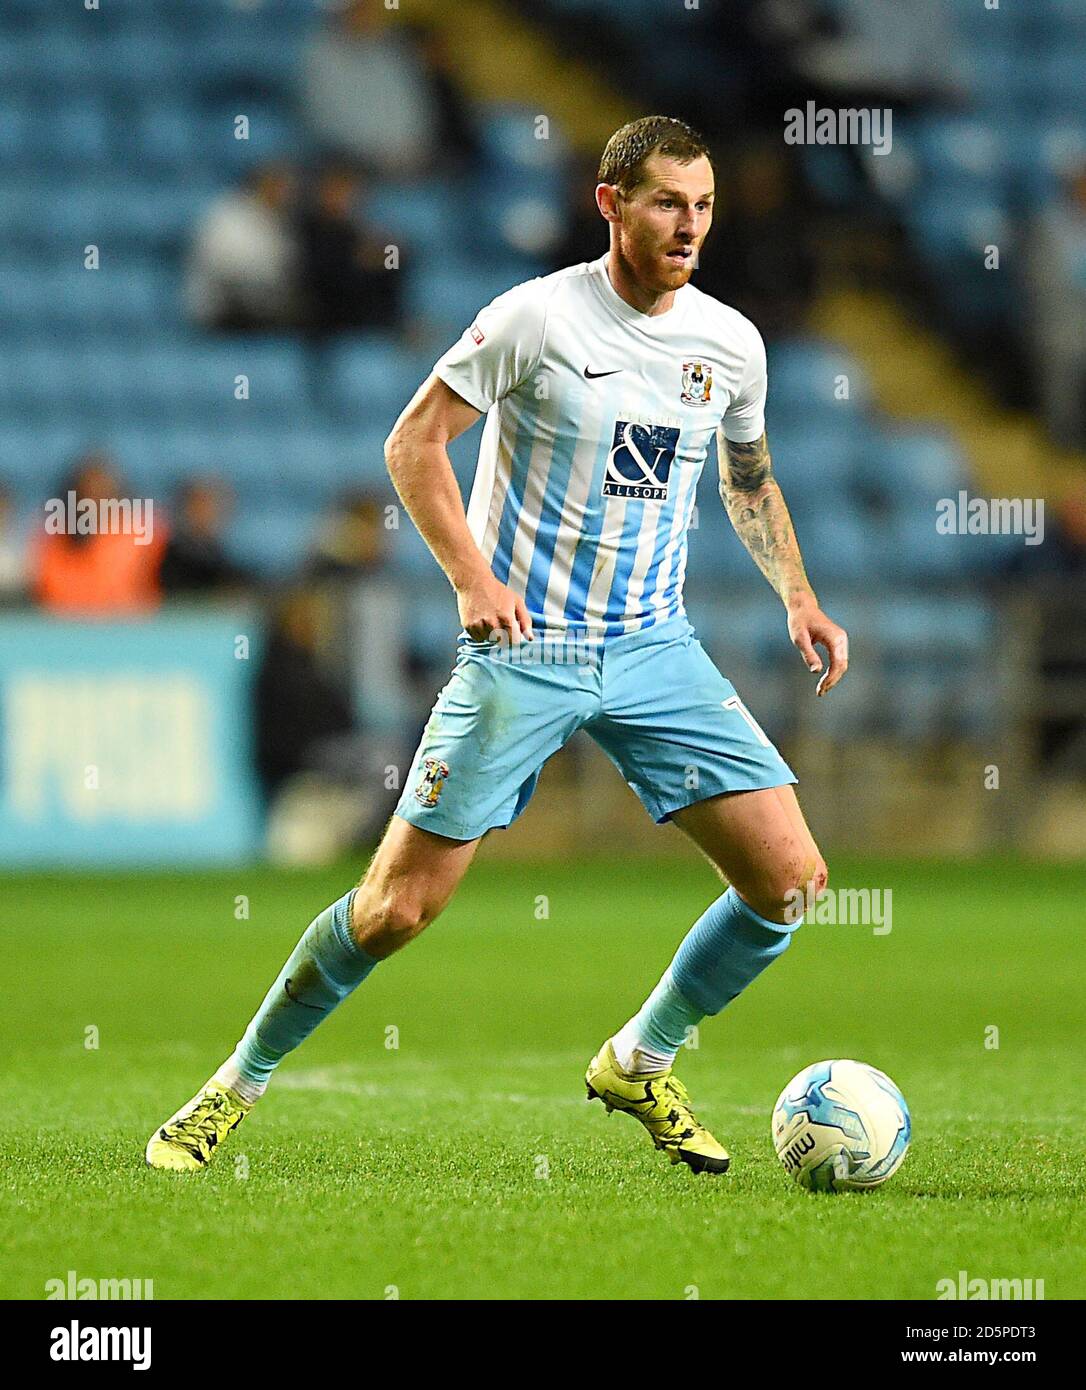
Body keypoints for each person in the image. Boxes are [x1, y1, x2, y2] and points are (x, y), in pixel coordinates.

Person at [146, 116, 848, 1176]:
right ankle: (227, 1088)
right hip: (527, 652)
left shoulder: (730, 344)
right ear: (610, 204)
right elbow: (412, 441)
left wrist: (797, 591)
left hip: (656, 648)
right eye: (667, 202)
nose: (689, 225)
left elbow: (746, 477)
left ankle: (638, 1058)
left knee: (790, 883)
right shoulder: (536, 319)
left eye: (703, 205)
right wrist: (474, 576)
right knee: (394, 910)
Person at [184, 164, 300, 331]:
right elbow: (226, 273)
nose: (284, 193)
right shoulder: (229, 218)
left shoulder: (282, 221)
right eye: (277, 186)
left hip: (263, 309)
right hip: (220, 313)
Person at [159, 479, 251, 596]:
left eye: (213, 505)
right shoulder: (167, 559)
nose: (207, 513)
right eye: (199, 505)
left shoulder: (216, 554)